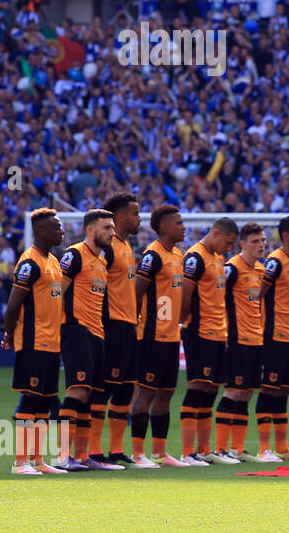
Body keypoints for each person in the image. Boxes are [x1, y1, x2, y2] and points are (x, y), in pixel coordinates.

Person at [55, 209, 123, 471]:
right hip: (75, 330)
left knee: (92, 395)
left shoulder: (103, 262)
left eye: (113, 228)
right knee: (77, 390)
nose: (112, 233)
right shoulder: (74, 255)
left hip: (97, 334)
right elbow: (58, 293)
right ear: (91, 230)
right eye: (107, 228)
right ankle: (62, 455)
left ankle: (83, 456)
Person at [3, 208, 68, 475]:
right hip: (33, 341)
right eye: (57, 227)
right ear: (41, 231)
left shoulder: (52, 260)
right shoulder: (29, 262)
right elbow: (13, 306)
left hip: (52, 343)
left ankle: (38, 460)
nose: (62, 231)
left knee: (45, 402)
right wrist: (9, 334)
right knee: (30, 401)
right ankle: (20, 462)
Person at [131, 204, 189, 467]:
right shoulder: (152, 256)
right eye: (178, 223)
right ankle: (137, 453)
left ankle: (159, 452)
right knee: (145, 394)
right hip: (152, 335)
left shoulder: (177, 254)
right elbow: (137, 290)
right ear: (164, 227)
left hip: (171, 336)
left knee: (166, 394)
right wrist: (137, 323)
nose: (183, 226)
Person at [179, 217, 240, 465]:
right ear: (216, 233)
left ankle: (204, 450)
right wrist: (183, 323)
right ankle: (186, 452)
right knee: (197, 388)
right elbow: (184, 295)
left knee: (211, 390)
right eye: (228, 242)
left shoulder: (218, 258)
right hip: (200, 331)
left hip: (218, 333)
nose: (229, 248)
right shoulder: (195, 257)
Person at [256, 215, 289, 461]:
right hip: (273, 334)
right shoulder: (274, 262)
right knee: (269, 390)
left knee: (283, 391)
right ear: (286, 235)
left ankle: (281, 448)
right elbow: (258, 295)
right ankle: (264, 448)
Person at [94, 192, 141, 466]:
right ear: (121, 217)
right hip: (111, 325)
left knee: (125, 389)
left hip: (129, 327)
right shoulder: (108, 249)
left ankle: (115, 450)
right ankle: (94, 451)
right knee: (105, 389)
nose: (139, 218)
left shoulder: (127, 247)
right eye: (135, 213)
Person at [218, 223, 268, 461]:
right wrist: (225, 334)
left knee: (247, 393)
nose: (261, 245)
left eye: (263, 241)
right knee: (234, 392)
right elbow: (218, 301)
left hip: (256, 339)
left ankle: (238, 448)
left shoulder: (260, 270)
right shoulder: (231, 268)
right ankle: (220, 448)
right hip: (237, 339)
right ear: (243, 244)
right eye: (256, 241)